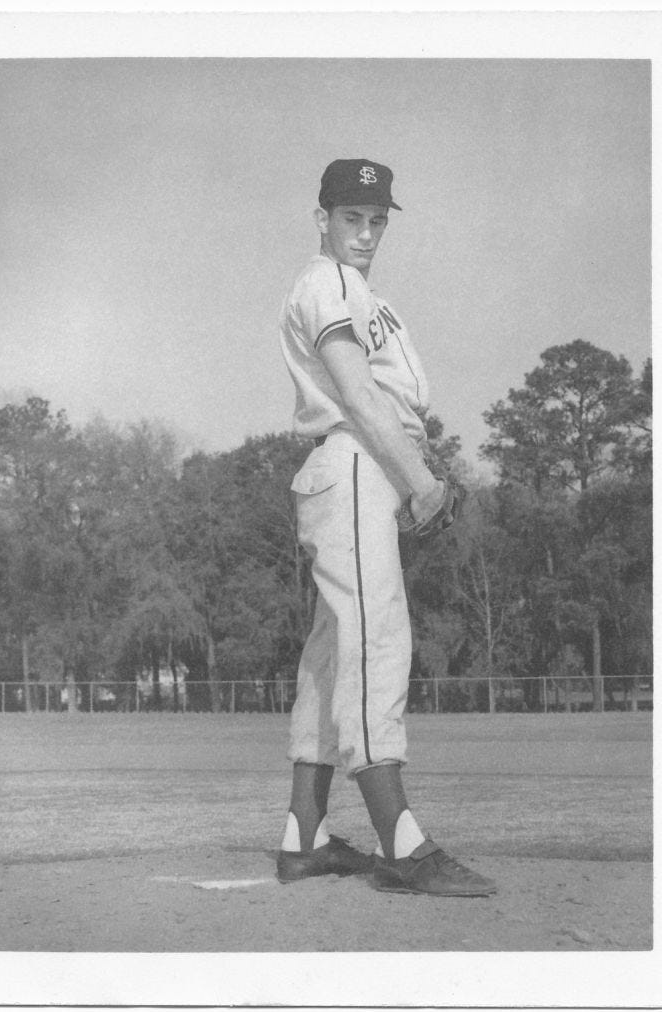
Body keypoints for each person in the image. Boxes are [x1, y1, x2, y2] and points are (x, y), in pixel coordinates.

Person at [276, 158, 496, 897]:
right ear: (323, 219)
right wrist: (423, 482)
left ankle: (304, 835)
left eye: (376, 219)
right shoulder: (327, 281)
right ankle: (402, 843)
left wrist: (412, 471)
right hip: (359, 459)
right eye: (351, 217)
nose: (365, 232)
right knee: (377, 637)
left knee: (334, 651)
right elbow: (360, 391)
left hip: (361, 466)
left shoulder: (364, 291)